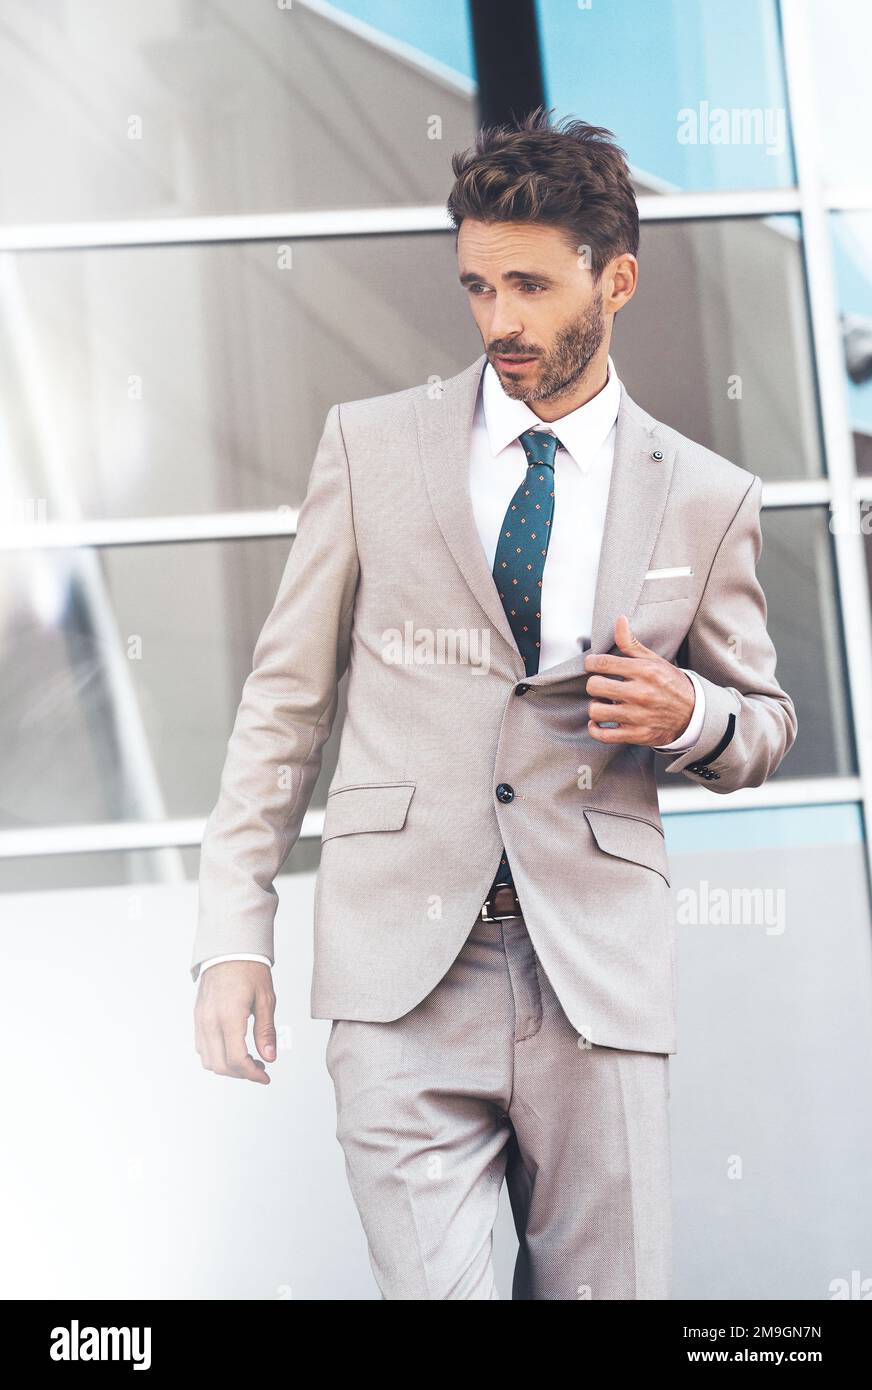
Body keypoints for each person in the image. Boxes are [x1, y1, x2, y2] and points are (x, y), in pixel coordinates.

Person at [191, 109, 797, 1300]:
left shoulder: (706, 497)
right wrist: (229, 933)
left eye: (527, 284)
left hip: (594, 969)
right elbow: (284, 704)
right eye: (476, 285)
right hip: (401, 969)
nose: (498, 321)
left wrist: (687, 714)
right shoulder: (369, 447)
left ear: (613, 280)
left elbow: (762, 720)